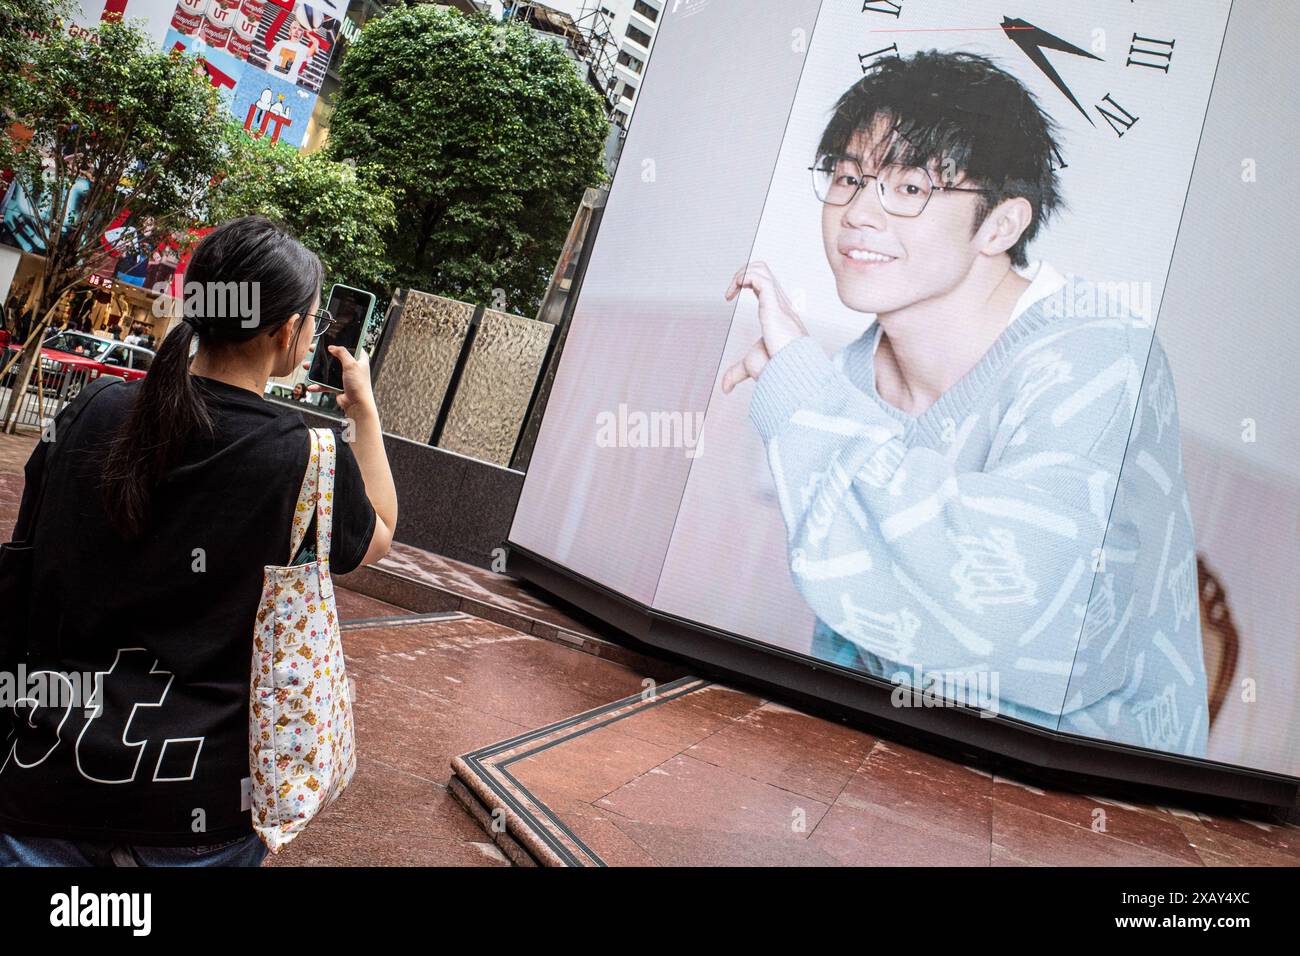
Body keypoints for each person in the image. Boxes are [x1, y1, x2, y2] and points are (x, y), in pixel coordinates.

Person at [721, 51, 1207, 757]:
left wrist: (806, 404)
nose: (858, 212)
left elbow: (1011, 620)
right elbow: (855, 621)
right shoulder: (852, 371)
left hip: (1097, 801)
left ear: (1001, 225)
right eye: (848, 177)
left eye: (911, 186)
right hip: (891, 769)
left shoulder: (1103, 358)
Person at [0, 216, 398, 866]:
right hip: (197, 810)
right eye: (314, 320)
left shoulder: (93, 408)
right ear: (285, 331)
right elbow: (377, 535)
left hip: (42, 771)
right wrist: (365, 413)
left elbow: (27, 557)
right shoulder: (304, 457)